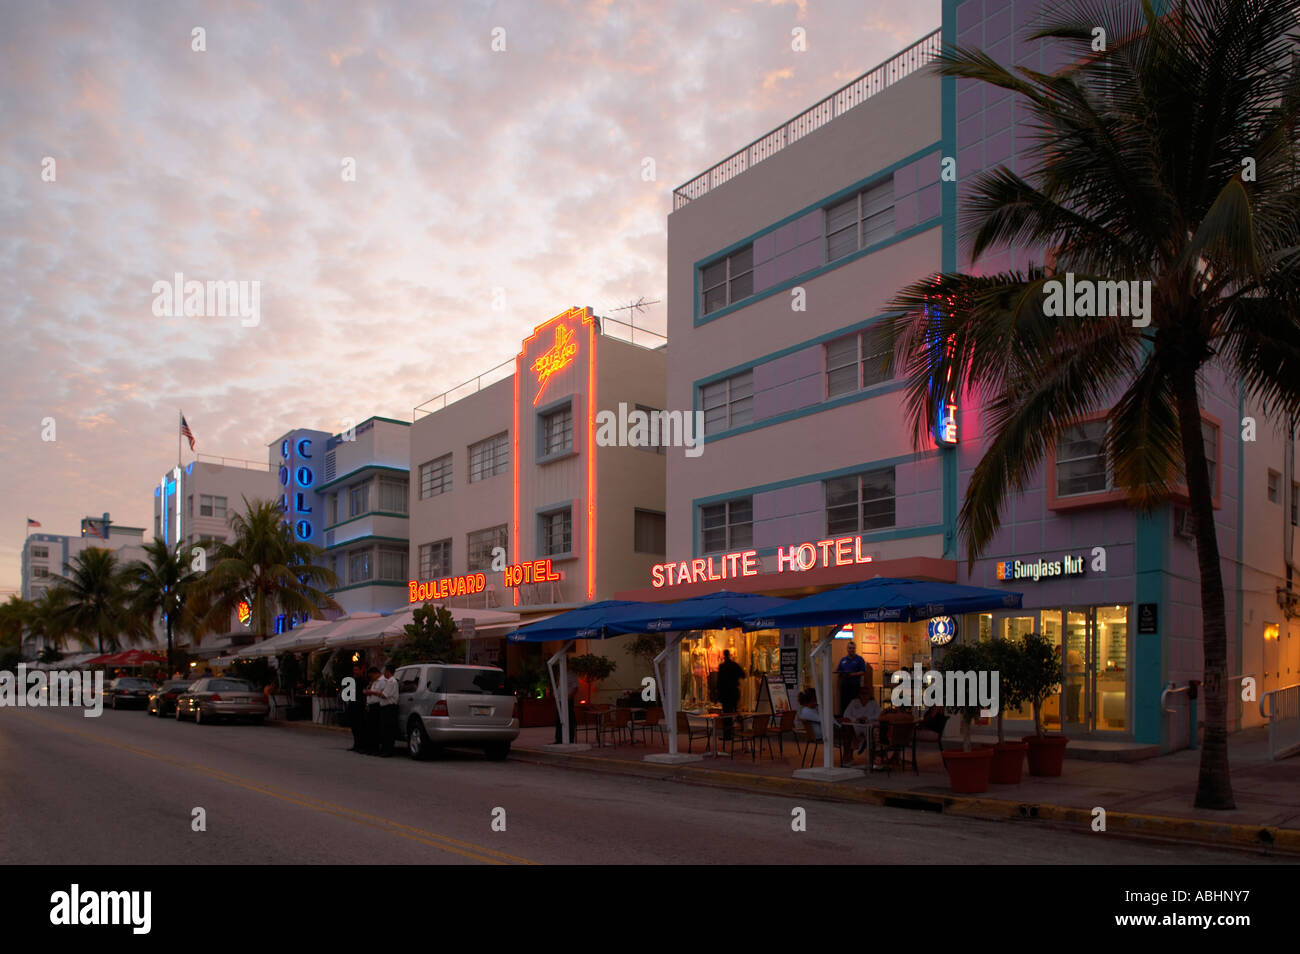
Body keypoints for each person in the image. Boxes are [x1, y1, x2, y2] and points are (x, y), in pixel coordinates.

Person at [841, 684, 882, 755]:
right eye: (862, 693)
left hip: (869, 726)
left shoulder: (874, 703)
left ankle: (872, 756)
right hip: (856, 725)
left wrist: (868, 718)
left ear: (870, 694)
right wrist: (856, 719)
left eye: (866, 693)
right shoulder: (854, 702)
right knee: (848, 733)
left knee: (874, 734)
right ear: (859, 694)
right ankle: (848, 756)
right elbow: (846, 714)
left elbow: (879, 715)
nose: (864, 695)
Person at [716, 649, 745, 742]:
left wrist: (718, 692)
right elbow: (743, 675)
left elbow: (719, 681)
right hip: (734, 691)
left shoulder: (722, 666)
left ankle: (728, 735)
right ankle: (741, 729)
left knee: (727, 714)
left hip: (725, 693)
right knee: (735, 710)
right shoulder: (734, 665)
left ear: (724, 656)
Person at [835, 643, 869, 716]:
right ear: (847, 649)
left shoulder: (859, 659)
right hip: (844, 686)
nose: (851, 650)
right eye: (850, 648)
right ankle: (844, 720)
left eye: (853, 648)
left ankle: (855, 720)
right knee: (844, 704)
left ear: (855, 649)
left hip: (855, 686)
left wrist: (853, 674)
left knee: (855, 704)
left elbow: (863, 671)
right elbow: (839, 671)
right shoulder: (843, 660)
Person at [376, 664, 399, 756]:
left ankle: (388, 750)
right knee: (385, 729)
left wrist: (375, 693)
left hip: (389, 708)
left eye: (385, 671)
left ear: (388, 672)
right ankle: (385, 749)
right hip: (386, 708)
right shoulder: (388, 682)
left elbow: (384, 695)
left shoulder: (391, 682)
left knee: (388, 730)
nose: (384, 673)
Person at [346, 662, 368, 752]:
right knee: (354, 727)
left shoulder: (363, 680)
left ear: (360, 670)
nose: (355, 671)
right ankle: (356, 744)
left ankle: (361, 745)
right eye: (354, 670)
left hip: (360, 706)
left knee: (360, 727)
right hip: (352, 705)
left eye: (356, 670)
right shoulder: (352, 680)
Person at [554, 670, 580, 744]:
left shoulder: (571, 675)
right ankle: (559, 739)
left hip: (567, 700)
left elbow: (575, 688)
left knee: (569, 719)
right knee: (559, 719)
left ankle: (570, 739)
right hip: (560, 700)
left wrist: (568, 697)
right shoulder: (560, 674)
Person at [362, 667, 382, 755]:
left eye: (372, 676)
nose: (371, 678)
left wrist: (370, 692)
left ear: (376, 673)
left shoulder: (382, 681)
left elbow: (379, 693)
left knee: (375, 728)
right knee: (370, 728)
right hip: (371, 705)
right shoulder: (374, 682)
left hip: (377, 705)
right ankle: (370, 747)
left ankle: (375, 748)